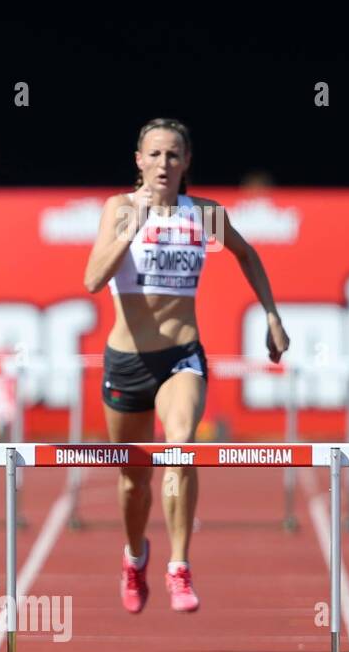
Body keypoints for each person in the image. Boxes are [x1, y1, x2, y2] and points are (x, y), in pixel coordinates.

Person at [84, 118, 290, 613]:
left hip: (182, 355)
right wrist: (128, 232)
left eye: (173, 155)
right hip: (128, 359)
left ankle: (179, 564)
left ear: (187, 162)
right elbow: (92, 279)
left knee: (181, 447)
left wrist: (271, 314)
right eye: (154, 155)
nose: (163, 164)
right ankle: (135, 557)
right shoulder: (119, 209)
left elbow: (248, 254)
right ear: (138, 160)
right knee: (134, 477)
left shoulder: (204, 214)